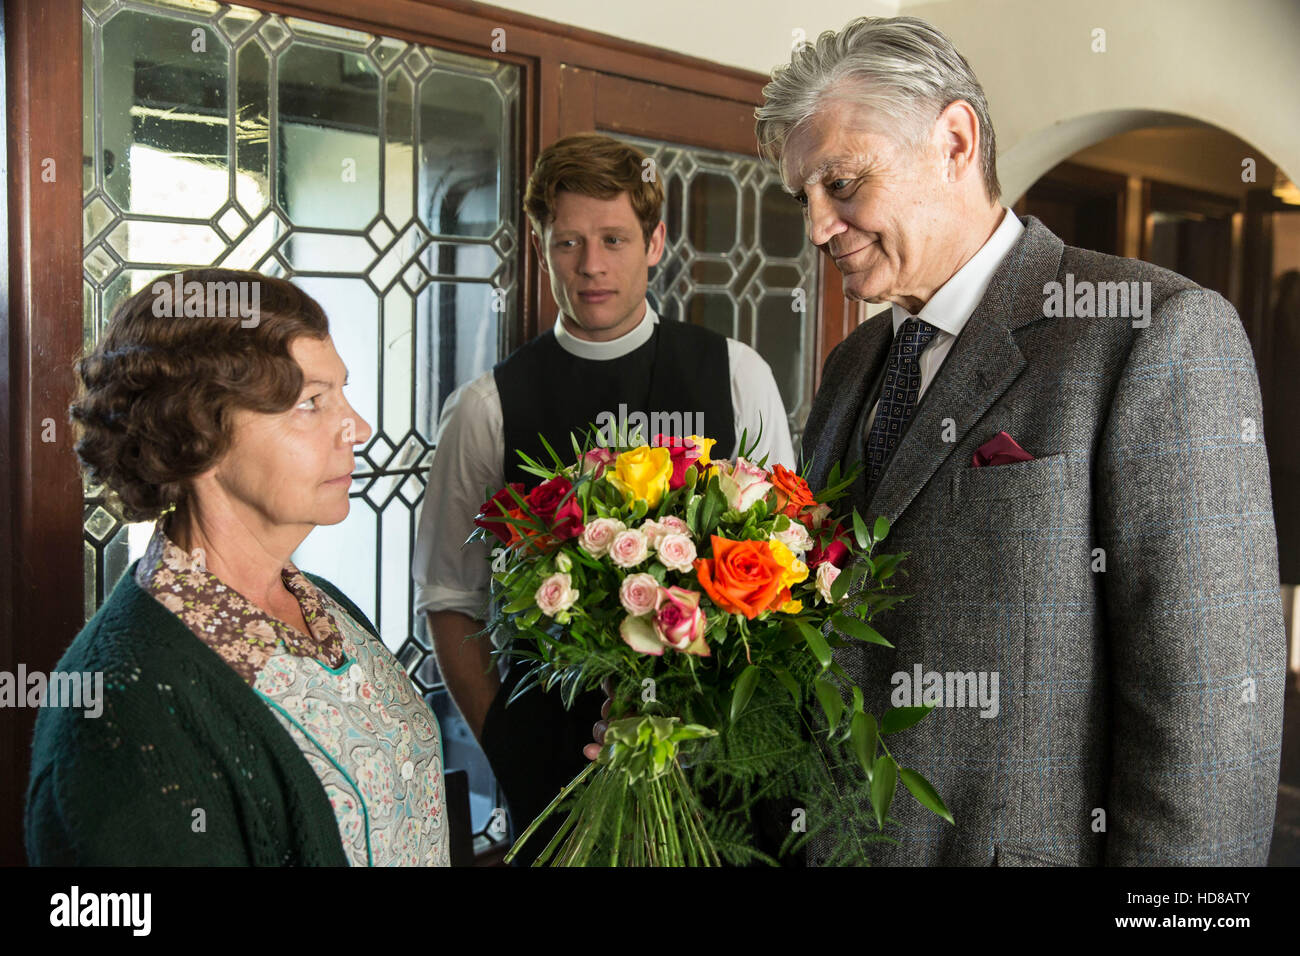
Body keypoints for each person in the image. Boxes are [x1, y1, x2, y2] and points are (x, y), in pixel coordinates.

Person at [758, 16, 1286, 865]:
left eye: (843, 183)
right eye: (804, 197)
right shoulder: (855, 360)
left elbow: (1212, 722)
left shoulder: (1156, 333)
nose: (819, 226)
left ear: (956, 141)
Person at [413, 132, 795, 862]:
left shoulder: (736, 374)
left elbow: (783, 566)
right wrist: (508, 743)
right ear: (539, 248)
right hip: (555, 769)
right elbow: (449, 596)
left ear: (654, 243)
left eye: (614, 238)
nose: (591, 266)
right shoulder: (487, 407)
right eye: (567, 243)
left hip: (722, 762)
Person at [27, 269, 450, 866]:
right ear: (197, 433)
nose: (358, 428)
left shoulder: (325, 606)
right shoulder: (116, 714)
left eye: (342, 395)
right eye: (311, 403)